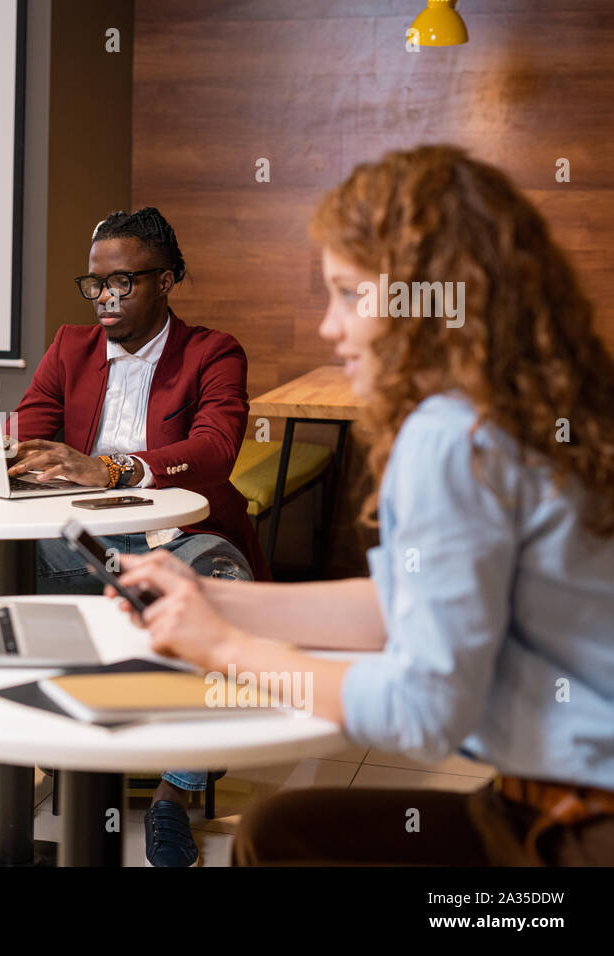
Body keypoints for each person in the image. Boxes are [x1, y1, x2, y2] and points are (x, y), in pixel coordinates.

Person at [111, 145, 614, 866]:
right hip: (559, 801)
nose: (328, 326)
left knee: (285, 839)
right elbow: (406, 602)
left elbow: (423, 710)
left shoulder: (450, 436)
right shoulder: (535, 405)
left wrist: (224, 649)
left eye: (350, 294)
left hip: (577, 836)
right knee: (280, 834)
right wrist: (214, 598)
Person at [0, 207, 270, 866]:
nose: (105, 299)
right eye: (95, 284)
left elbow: (216, 447)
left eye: (123, 283)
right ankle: (3, 771)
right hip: (84, 539)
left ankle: (175, 792)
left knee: (220, 585)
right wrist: (15, 453)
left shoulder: (212, 352)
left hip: (176, 537)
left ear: (166, 279)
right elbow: (33, 421)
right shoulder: (70, 347)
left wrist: (114, 466)